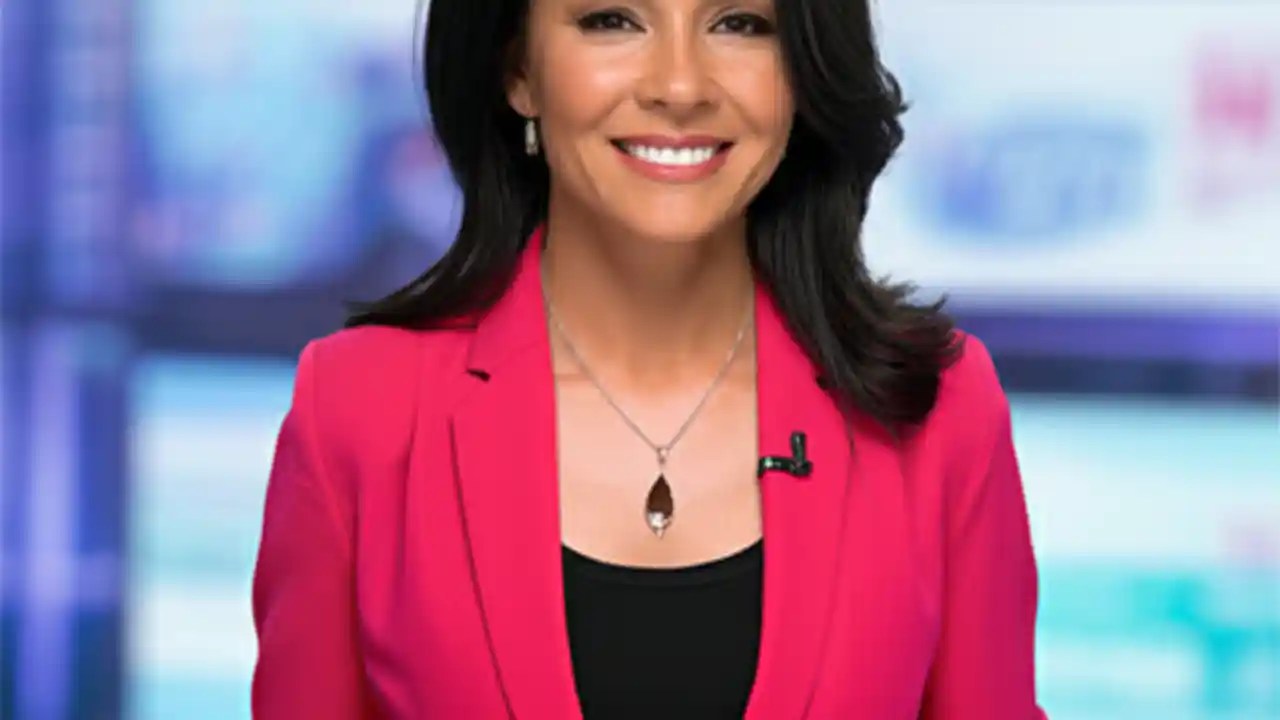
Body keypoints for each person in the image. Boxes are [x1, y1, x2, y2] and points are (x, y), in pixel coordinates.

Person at [251, 0, 1049, 717]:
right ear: (519, 71)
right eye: (612, 20)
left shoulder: (938, 406)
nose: (679, 85)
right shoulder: (357, 408)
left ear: (802, 72)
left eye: (740, 23)